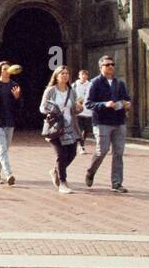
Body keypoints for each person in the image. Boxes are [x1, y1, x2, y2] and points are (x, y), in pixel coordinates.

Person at [84, 55, 130, 194]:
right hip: (102, 122)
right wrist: (104, 104)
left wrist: (127, 104)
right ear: (101, 67)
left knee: (118, 153)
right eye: (107, 65)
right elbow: (88, 103)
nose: (111, 67)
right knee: (102, 151)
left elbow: (126, 99)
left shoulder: (119, 83)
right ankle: (91, 172)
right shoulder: (95, 83)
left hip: (119, 122)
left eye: (112, 64)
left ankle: (116, 183)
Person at [41, 66, 81, 194]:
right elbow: (42, 107)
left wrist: (78, 108)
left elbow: (74, 109)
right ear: (56, 76)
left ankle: (55, 171)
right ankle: (63, 183)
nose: (65, 75)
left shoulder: (71, 91)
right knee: (61, 154)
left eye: (67, 73)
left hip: (70, 127)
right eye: (62, 73)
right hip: (55, 127)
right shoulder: (50, 90)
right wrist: (53, 110)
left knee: (72, 154)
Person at [72, 68, 94, 155]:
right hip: (78, 111)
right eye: (82, 75)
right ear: (79, 76)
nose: (84, 76)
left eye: (85, 75)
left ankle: (81, 143)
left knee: (86, 129)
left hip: (88, 111)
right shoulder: (74, 85)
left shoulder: (91, 85)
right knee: (79, 128)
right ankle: (82, 146)